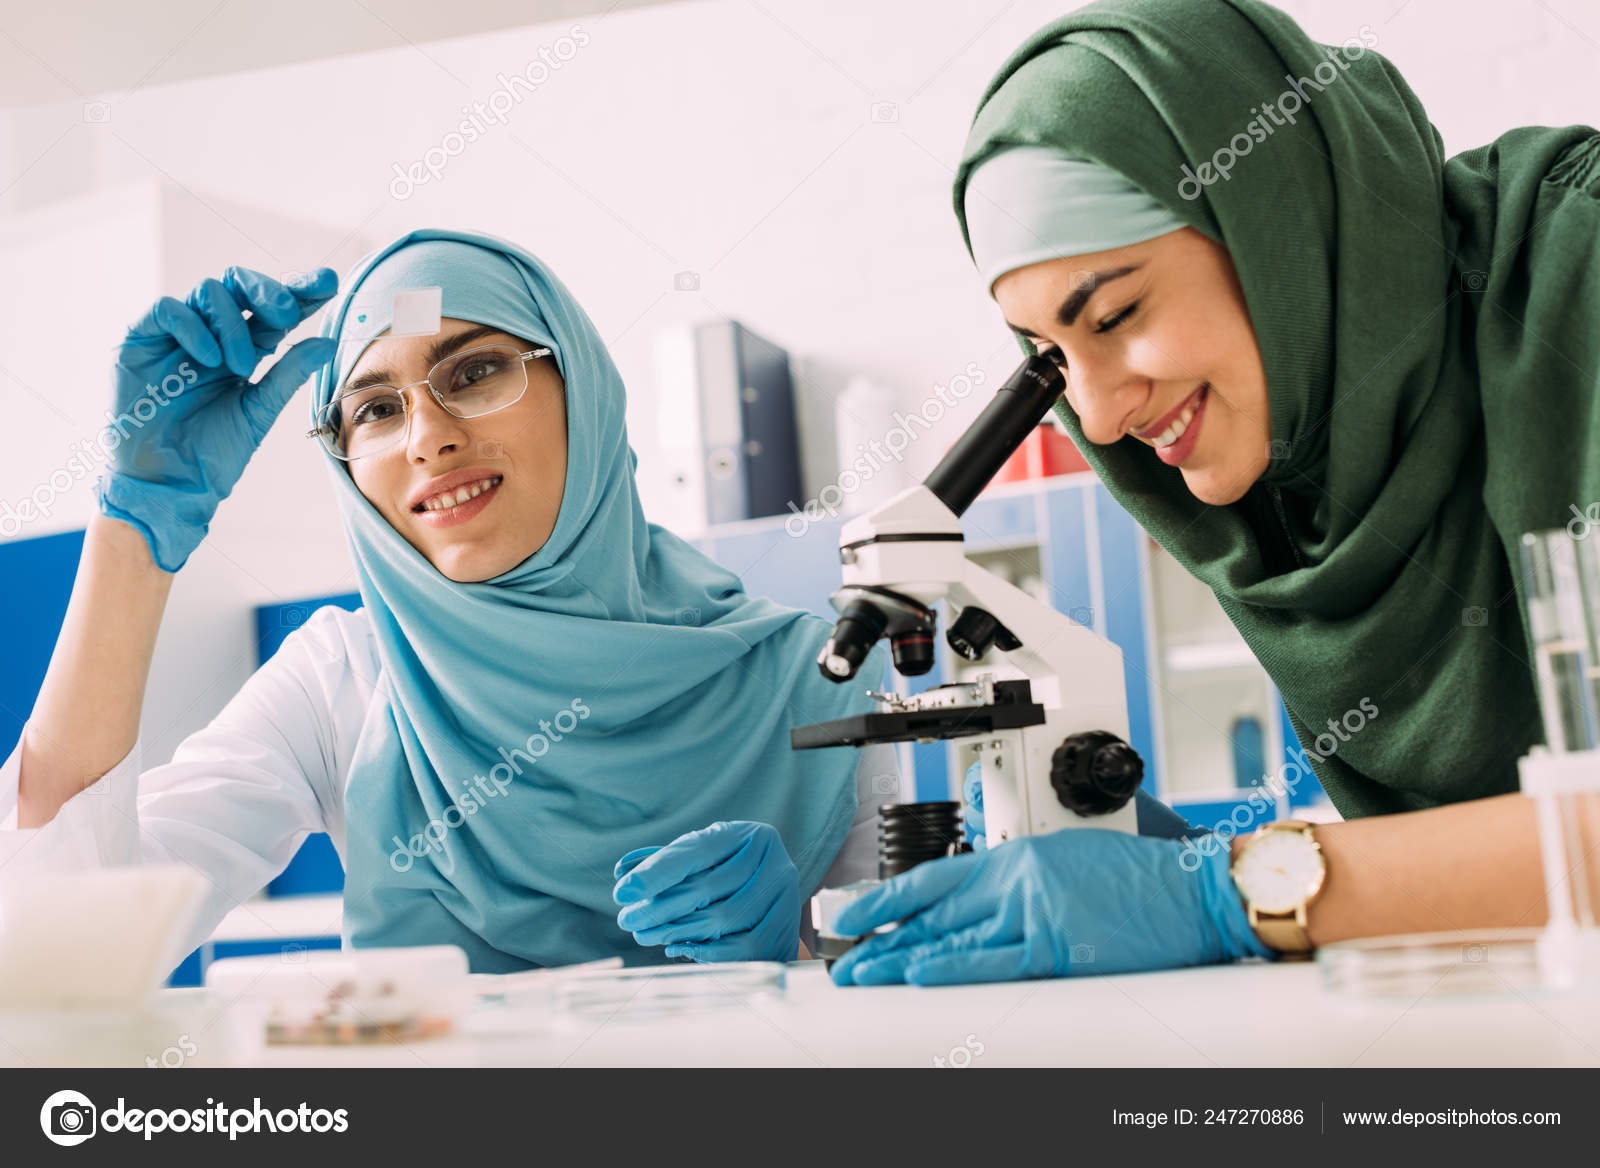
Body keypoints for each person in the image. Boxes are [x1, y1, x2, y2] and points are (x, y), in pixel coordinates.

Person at [827, 0, 1599, 987]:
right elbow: (1473, 873)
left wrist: (1232, 890)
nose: (1100, 417)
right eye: (1051, 360)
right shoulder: (1302, 479)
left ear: (1275, 221)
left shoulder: (1577, 267)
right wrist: (1156, 854)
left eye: (1114, 312)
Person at [2, 228, 894, 973]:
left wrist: (807, 952)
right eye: (376, 410)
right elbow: (65, 954)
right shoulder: (341, 681)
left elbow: (916, 1031)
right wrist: (134, 530)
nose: (429, 436)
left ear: (580, 388)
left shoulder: (823, 683)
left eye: (473, 373)